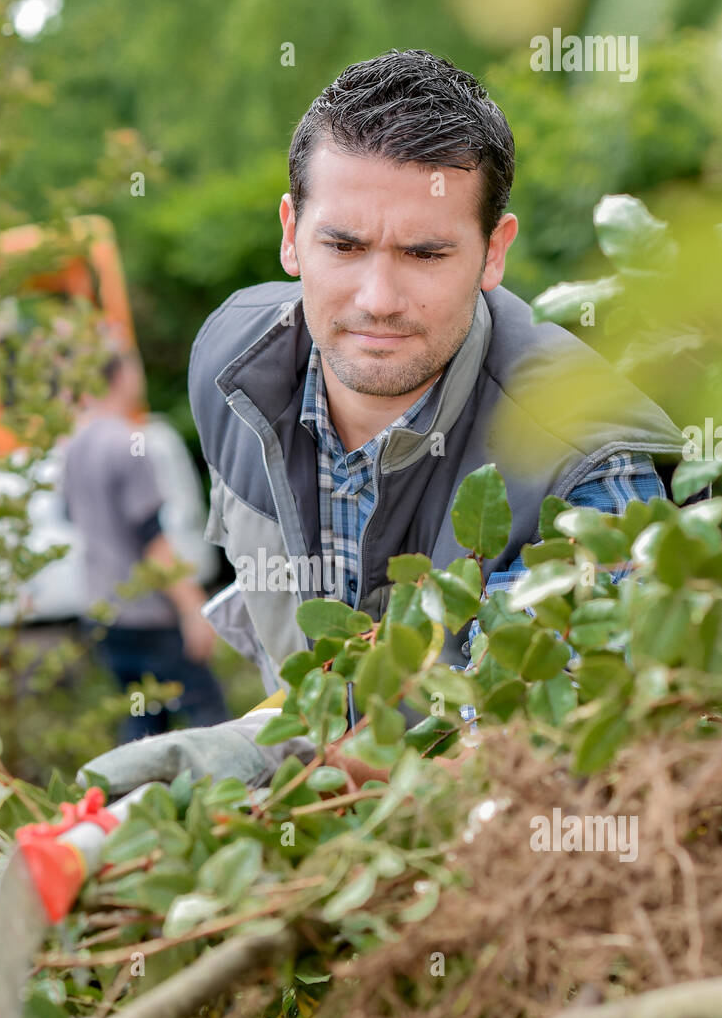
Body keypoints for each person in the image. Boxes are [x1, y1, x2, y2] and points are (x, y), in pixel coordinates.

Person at [76, 49, 685, 797]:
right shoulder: (228, 368)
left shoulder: (586, 462)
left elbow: (552, 762)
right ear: (290, 232)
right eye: (343, 246)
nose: (378, 300)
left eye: (425, 253)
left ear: (493, 252)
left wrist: (281, 765)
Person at [63, 348, 228, 741]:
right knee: (210, 719)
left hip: (105, 611)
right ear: (123, 376)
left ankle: (133, 784)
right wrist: (193, 610)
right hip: (149, 614)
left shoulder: (74, 446)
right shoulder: (129, 444)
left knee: (143, 722)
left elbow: (70, 517)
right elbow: (153, 542)